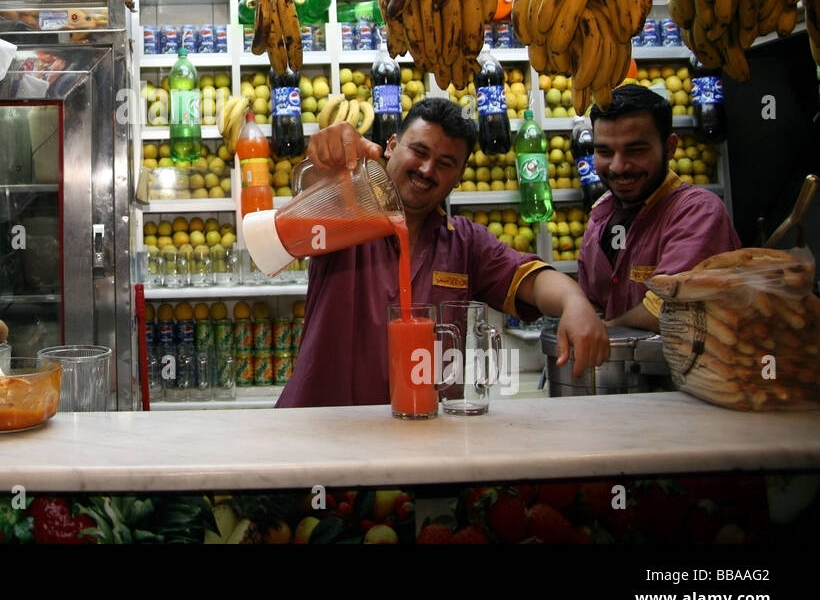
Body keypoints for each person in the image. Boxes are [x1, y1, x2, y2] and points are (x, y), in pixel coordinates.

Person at [277, 97, 610, 408]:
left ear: (459, 177)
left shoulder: (465, 243)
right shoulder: (346, 214)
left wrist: (575, 302)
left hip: (421, 433)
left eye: (445, 163)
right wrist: (324, 160)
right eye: (418, 151)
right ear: (391, 145)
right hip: (323, 426)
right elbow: (311, 192)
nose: (426, 169)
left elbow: (533, 281)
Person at [578, 84, 740, 331]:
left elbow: (669, 309)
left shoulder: (699, 212)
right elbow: (590, 303)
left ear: (670, 147)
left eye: (636, 150)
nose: (619, 166)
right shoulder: (601, 216)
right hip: (617, 369)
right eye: (605, 151)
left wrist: (604, 328)